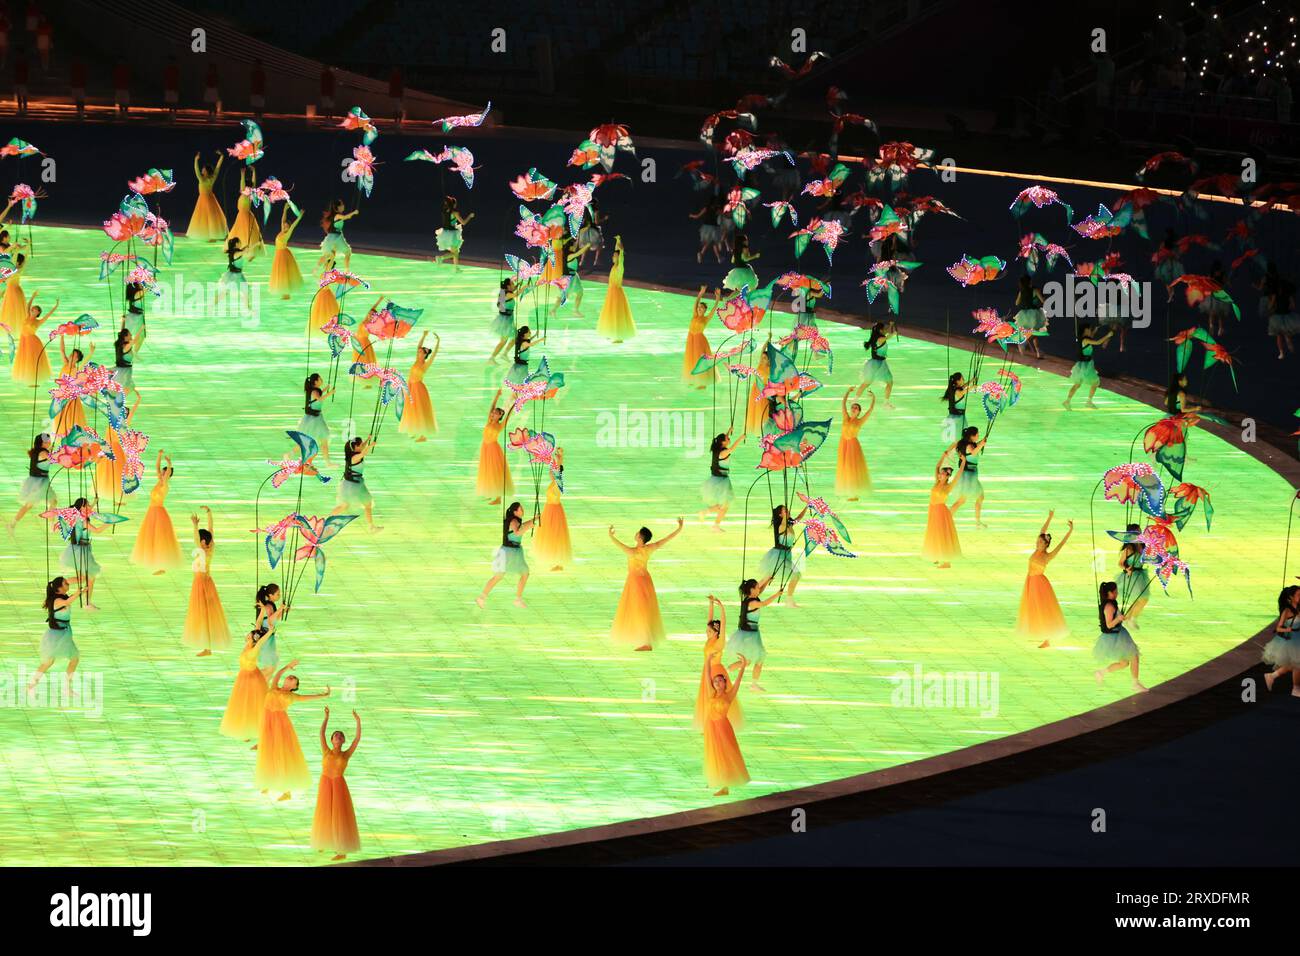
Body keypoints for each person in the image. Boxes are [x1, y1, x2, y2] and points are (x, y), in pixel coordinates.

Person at [255, 661, 331, 801]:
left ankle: (287, 791)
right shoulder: (274, 687)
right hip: (268, 724)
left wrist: (324, 695)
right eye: (290, 676)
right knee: (268, 753)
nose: (290, 677)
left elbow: (309, 697)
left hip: (280, 725)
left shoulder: (292, 696)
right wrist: (286, 667)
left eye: (293, 679)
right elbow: (277, 675)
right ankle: (269, 783)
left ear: (294, 687)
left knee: (282, 755)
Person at [608, 519, 684, 651]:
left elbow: (619, 545)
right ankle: (644, 640)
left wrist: (611, 535)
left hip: (636, 582)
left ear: (639, 537)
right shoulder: (648, 549)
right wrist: (679, 528)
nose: (636, 534)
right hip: (645, 580)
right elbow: (665, 540)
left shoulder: (633, 552)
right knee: (643, 610)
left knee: (639, 610)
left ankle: (646, 642)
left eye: (637, 533)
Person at [311, 708, 362, 860]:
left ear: (343, 741)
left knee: (340, 815)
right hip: (325, 782)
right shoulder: (326, 751)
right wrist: (326, 717)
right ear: (332, 740)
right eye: (335, 735)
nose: (338, 736)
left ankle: (342, 851)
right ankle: (323, 841)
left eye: (340, 736)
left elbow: (357, 739)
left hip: (339, 784)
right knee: (324, 812)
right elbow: (321, 734)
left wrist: (358, 721)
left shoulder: (346, 754)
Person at [1017, 511, 1073, 647]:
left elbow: (1061, 544)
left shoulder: (1047, 556)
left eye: (1041, 542)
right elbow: (1043, 530)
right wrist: (1050, 517)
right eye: (1038, 541)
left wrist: (1070, 531)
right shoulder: (1036, 550)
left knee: (1043, 610)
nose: (1037, 543)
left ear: (1046, 545)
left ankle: (1047, 639)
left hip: (1040, 584)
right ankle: (1041, 635)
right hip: (1030, 581)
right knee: (1033, 609)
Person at [182, 507, 230, 656]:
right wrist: (209, 513)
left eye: (199, 539)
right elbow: (211, 529)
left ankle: (207, 648)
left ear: (202, 541)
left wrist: (195, 525)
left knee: (204, 616)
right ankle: (207, 647)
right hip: (204, 583)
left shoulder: (203, 550)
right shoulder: (210, 547)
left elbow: (199, 537)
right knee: (205, 616)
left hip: (202, 584)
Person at [726, 577, 784, 692]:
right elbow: (765, 603)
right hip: (749, 636)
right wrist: (777, 594)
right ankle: (750, 682)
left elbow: (761, 591)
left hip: (750, 633)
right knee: (754, 660)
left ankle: (728, 671)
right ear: (752, 590)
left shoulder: (749, 598)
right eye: (757, 587)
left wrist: (767, 581)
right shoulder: (753, 603)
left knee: (747, 661)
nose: (759, 589)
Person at [703, 654, 750, 796]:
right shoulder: (712, 694)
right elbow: (706, 677)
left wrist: (742, 665)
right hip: (711, 727)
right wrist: (708, 661)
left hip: (723, 727)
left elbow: (738, 682)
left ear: (724, 683)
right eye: (715, 681)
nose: (717, 683)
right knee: (714, 754)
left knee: (725, 754)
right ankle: (716, 779)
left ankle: (725, 786)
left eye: (720, 681)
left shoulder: (729, 695)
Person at [27, 577, 84, 694]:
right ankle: (31, 685)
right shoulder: (58, 601)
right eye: (65, 583)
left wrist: (81, 590)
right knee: (49, 662)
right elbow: (67, 602)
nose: (68, 584)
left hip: (64, 633)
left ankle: (67, 688)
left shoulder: (61, 596)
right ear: (59, 588)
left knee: (74, 658)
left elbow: (69, 597)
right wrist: (79, 592)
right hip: (56, 636)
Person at [694, 595, 742, 732]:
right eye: (707, 630)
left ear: (716, 632)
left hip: (715, 671)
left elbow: (724, 624)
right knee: (706, 698)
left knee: (716, 698)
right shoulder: (710, 639)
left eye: (709, 631)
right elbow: (709, 620)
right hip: (707, 670)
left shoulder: (719, 643)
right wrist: (710, 603)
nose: (707, 632)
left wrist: (721, 607)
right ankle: (708, 724)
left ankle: (716, 722)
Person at [130, 450, 183, 573]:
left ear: (167, 475)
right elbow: (157, 467)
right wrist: (159, 455)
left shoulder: (165, 485)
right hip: (152, 512)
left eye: (164, 474)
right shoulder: (158, 482)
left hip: (159, 512)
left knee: (160, 540)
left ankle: (161, 566)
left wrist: (169, 464)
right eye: (162, 473)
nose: (162, 474)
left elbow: (166, 473)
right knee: (152, 539)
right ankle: (157, 564)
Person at [476, 501, 537, 608]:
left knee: (524, 573)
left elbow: (522, 526)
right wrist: (529, 525)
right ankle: (482, 597)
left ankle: (517, 599)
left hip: (514, 551)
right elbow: (518, 531)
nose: (523, 510)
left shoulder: (516, 520)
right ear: (515, 511)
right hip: (508, 553)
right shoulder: (513, 521)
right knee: (499, 576)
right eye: (521, 509)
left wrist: (534, 520)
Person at [1093, 582, 1146, 692]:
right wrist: (1119, 619)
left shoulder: (1112, 603)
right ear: (1109, 593)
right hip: (1115, 637)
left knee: (1124, 663)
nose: (1117, 593)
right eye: (1115, 591)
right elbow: (1109, 624)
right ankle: (1135, 683)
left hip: (1119, 634)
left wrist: (1126, 615)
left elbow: (1118, 618)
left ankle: (1101, 673)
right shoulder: (1109, 607)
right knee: (1134, 656)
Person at [220, 628, 270, 743]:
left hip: (252, 680)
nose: (247, 636)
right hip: (243, 677)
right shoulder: (247, 646)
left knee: (251, 705)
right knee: (243, 705)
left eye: (250, 636)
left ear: (254, 639)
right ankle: (246, 730)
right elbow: (257, 628)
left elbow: (261, 641)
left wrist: (270, 632)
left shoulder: (254, 649)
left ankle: (254, 731)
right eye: (248, 634)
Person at [921, 445, 964, 568]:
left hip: (941, 511)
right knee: (934, 533)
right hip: (933, 510)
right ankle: (937, 555)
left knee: (942, 533)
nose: (940, 475)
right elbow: (937, 466)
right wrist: (945, 454)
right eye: (940, 474)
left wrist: (963, 462)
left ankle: (947, 561)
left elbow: (958, 475)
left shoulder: (948, 487)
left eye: (943, 474)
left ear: (947, 476)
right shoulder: (937, 482)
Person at [757, 504, 807, 606]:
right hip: (778, 556)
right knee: (794, 574)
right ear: (780, 515)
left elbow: (799, 518)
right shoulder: (782, 526)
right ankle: (789, 600)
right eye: (785, 511)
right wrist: (785, 516)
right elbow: (784, 524)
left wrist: (807, 506)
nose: (788, 511)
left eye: (787, 510)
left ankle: (751, 595)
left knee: (767, 578)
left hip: (786, 554)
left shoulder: (789, 524)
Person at [331, 435, 381, 532]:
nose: (362, 445)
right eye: (360, 444)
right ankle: (327, 521)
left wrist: (367, 440)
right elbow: (364, 452)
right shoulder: (354, 458)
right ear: (355, 447)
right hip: (351, 485)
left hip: (359, 483)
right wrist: (371, 445)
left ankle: (371, 527)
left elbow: (362, 448)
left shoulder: (355, 453)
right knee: (345, 505)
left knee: (368, 504)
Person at [533, 448, 571, 571]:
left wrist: (559, 460)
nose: (550, 473)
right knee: (551, 537)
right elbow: (555, 469)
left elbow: (558, 471)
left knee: (555, 536)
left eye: (552, 472)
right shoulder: (553, 483)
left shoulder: (557, 483)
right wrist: (556, 458)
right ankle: (555, 562)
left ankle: (557, 562)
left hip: (554, 512)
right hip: (550, 510)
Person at [474, 389, 513, 504]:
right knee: (487, 472)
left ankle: (498, 498)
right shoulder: (489, 421)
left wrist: (514, 403)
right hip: (485, 448)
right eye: (494, 412)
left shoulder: (500, 426)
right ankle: (490, 493)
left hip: (493, 449)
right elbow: (492, 406)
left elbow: (508, 416)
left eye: (496, 413)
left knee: (494, 472)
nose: (493, 413)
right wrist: (497, 395)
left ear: (500, 415)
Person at [398, 331, 438, 441]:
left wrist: (438, 342)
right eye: (419, 352)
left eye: (421, 352)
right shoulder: (416, 360)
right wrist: (424, 335)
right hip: (411, 387)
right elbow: (418, 346)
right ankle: (414, 430)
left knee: (420, 410)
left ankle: (422, 435)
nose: (419, 352)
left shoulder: (424, 365)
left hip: (418, 388)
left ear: (425, 354)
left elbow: (433, 355)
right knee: (412, 410)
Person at [595, 235, 636, 342]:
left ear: (618, 258)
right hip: (611, 293)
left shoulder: (619, 267)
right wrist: (617, 241)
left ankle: (617, 335)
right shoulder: (614, 266)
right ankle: (611, 332)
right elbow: (617, 250)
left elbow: (620, 253)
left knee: (616, 314)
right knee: (610, 314)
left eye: (614, 256)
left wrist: (619, 241)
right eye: (613, 256)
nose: (612, 257)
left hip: (617, 294)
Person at [1063, 324, 1114, 409]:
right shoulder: (1086, 340)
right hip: (1086, 365)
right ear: (1085, 330)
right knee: (1095, 382)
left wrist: (1095, 331)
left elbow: (1091, 337)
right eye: (1089, 329)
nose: (1090, 330)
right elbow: (1097, 342)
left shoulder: (1082, 339)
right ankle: (1089, 402)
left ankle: (1067, 401)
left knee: (1077, 384)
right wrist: (1108, 335)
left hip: (1081, 364)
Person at [9, 433, 53, 531]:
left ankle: (13, 523)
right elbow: (53, 459)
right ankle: (51, 525)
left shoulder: (38, 452)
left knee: (50, 501)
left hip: (40, 481)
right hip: (39, 483)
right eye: (48, 441)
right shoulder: (43, 453)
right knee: (32, 504)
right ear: (43, 443)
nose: (50, 442)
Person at [835, 389, 873, 500]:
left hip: (852, 445)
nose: (854, 409)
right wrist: (848, 391)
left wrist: (873, 397)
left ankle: (854, 493)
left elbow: (870, 410)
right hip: (843, 443)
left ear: (859, 412)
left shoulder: (860, 421)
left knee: (852, 468)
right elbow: (843, 403)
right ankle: (850, 491)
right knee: (845, 468)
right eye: (853, 407)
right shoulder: (845, 417)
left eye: (856, 408)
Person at [1263, 586, 1300, 697]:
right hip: (1293, 641)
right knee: (1297, 665)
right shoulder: (1287, 611)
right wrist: (1286, 629)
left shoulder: (1298, 609)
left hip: (1298, 639)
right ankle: (1296, 689)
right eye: (1298, 595)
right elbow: (1278, 628)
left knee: (1293, 664)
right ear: (1291, 597)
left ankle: (1272, 676)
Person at [700, 430, 740, 530]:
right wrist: (741, 438)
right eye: (727, 438)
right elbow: (732, 448)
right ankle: (714, 523)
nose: (729, 438)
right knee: (724, 505)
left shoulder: (717, 448)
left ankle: (707, 515)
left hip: (719, 479)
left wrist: (729, 431)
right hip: (721, 481)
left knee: (723, 505)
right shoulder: (723, 452)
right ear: (723, 442)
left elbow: (724, 438)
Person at [950, 426, 988, 528]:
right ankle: (948, 518)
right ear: (972, 436)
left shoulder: (970, 444)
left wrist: (982, 441)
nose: (978, 436)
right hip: (968, 476)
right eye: (977, 434)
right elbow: (974, 452)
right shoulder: (969, 446)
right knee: (962, 500)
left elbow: (976, 447)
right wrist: (982, 444)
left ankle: (977, 521)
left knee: (979, 497)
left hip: (971, 475)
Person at [683, 285, 719, 388]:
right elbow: (696, 302)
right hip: (691, 339)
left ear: (704, 311)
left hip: (700, 341)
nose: (699, 309)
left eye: (701, 308)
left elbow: (713, 310)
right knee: (691, 359)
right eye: (699, 307)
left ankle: (702, 382)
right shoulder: (694, 315)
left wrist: (717, 298)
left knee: (699, 361)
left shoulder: (705, 319)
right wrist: (701, 293)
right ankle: (692, 378)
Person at [187, 151, 227, 242]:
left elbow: (217, 167)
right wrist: (195, 160)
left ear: (207, 171)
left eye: (203, 169)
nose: (202, 170)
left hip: (207, 200)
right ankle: (209, 236)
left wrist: (196, 160)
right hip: (207, 199)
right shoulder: (205, 179)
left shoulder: (205, 179)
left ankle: (212, 236)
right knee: (207, 218)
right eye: (202, 169)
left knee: (209, 218)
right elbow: (198, 170)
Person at [225, 168, 264, 261]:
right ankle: (238, 249)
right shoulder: (246, 193)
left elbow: (251, 184)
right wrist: (253, 172)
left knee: (246, 234)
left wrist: (243, 174)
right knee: (240, 232)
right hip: (242, 215)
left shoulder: (248, 193)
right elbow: (250, 184)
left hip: (245, 216)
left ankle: (250, 253)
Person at [268, 204, 305, 299]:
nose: (285, 227)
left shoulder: (287, 234)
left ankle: (286, 293)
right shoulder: (282, 231)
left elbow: (293, 225)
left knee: (284, 274)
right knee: (282, 274)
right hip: (279, 254)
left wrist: (299, 217)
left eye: (286, 226)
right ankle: (285, 293)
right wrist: (285, 210)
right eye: (284, 226)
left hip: (283, 255)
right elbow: (283, 220)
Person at [858, 320, 897, 407]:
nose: (885, 330)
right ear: (880, 330)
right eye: (884, 329)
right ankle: (886, 403)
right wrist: (894, 333)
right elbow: (888, 336)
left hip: (876, 363)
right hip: (878, 364)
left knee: (867, 383)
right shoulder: (880, 339)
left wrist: (891, 325)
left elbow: (886, 332)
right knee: (889, 382)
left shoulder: (877, 336)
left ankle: (854, 400)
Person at [433, 196, 474, 270]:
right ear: (453, 204)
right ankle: (441, 258)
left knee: (456, 251)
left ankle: (456, 268)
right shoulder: (455, 212)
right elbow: (463, 223)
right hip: (452, 234)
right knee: (454, 252)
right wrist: (470, 216)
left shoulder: (444, 211)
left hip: (445, 233)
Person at [317, 199, 357, 272]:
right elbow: (345, 217)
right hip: (335, 238)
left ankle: (317, 270)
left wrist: (349, 215)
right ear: (338, 207)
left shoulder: (337, 215)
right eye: (342, 205)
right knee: (346, 252)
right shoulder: (337, 215)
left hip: (334, 237)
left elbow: (345, 217)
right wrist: (354, 212)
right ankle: (346, 271)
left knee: (329, 255)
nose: (343, 206)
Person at [1012, 275, 1046, 359]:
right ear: (1029, 282)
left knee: (1030, 333)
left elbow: (1016, 303)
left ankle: (1033, 349)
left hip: (1023, 315)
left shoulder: (1021, 291)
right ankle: (1029, 346)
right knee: (1034, 333)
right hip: (1033, 314)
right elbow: (1043, 301)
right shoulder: (1035, 290)